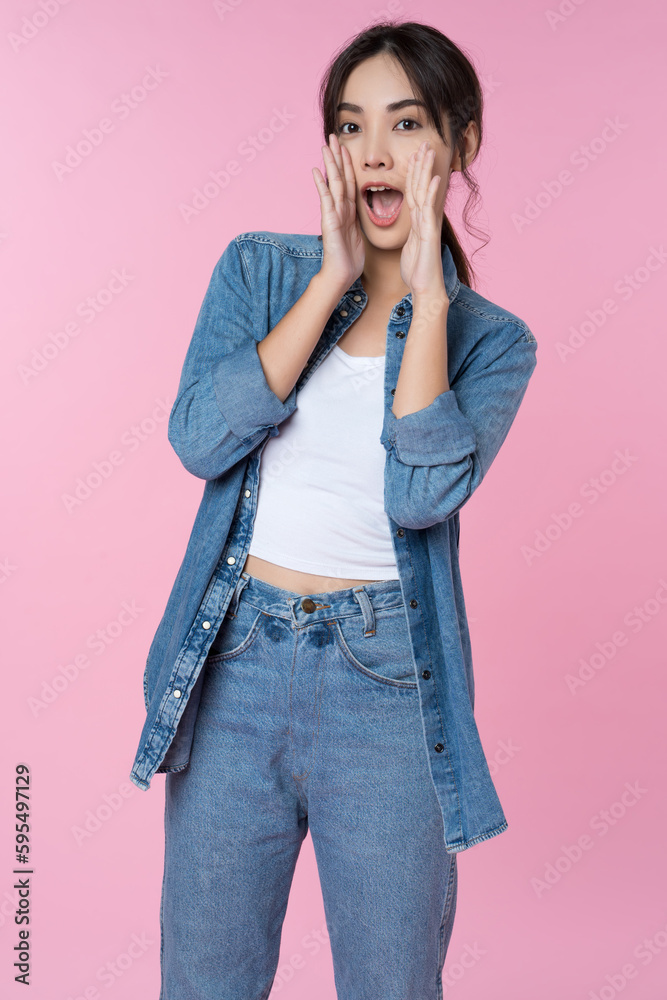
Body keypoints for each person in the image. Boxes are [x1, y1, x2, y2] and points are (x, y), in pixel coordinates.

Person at [129, 19, 538, 999]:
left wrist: (426, 299)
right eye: (351, 127)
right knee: (204, 982)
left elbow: (422, 494)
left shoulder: (493, 343)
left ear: (462, 141)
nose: (374, 153)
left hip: (387, 687)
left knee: (392, 982)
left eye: (406, 123)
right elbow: (199, 439)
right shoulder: (259, 271)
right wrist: (330, 282)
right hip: (234, 666)